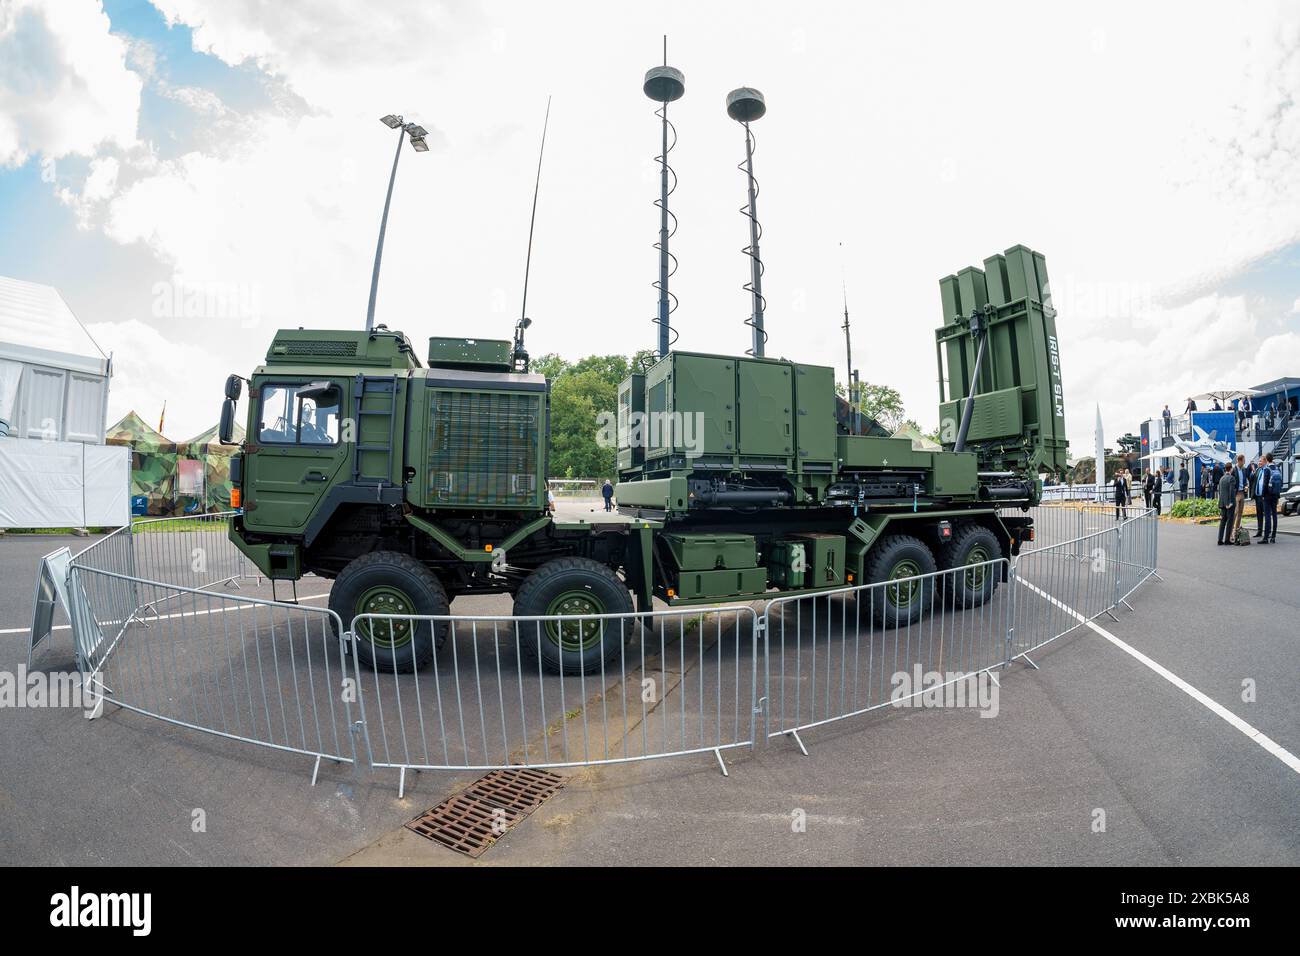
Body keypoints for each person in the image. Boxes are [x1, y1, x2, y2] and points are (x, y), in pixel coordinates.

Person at [1257, 452, 1280, 544]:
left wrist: (1262, 495)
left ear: (1266, 460)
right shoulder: (1277, 468)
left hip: (1267, 495)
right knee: (1274, 515)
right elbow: (1279, 483)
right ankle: (1273, 536)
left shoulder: (1267, 469)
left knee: (1267, 516)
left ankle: (1266, 537)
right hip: (1275, 494)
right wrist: (1278, 495)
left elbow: (1265, 484)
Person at [1229, 453, 1248, 543]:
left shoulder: (1244, 470)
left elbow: (1244, 481)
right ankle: (1230, 534)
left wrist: (1246, 486)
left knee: (1240, 514)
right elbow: (1230, 483)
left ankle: (1236, 533)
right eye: (1244, 461)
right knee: (1234, 514)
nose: (1244, 462)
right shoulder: (1234, 470)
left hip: (1242, 493)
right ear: (1240, 461)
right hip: (1236, 494)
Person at [1217, 463, 1237, 545]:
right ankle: (1227, 540)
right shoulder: (1231, 478)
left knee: (1222, 522)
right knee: (1229, 521)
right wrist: (1230, 502)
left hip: (1222, 502)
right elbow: (1231, 491)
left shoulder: (1221, 478)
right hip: (1229, 504)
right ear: (1231, 469)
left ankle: (1220, 539)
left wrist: (1222, 502)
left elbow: (1220, 491)